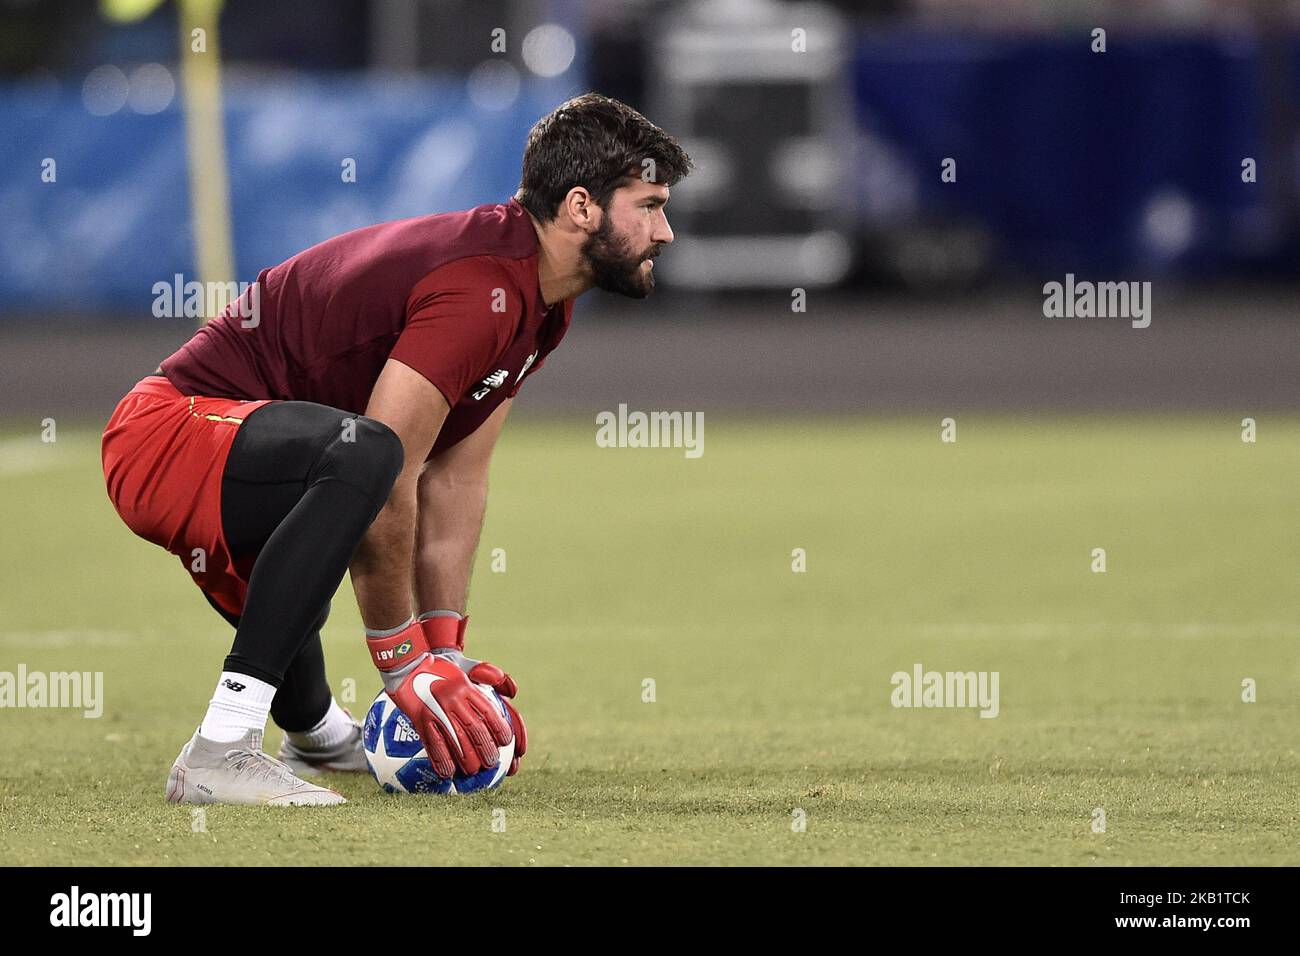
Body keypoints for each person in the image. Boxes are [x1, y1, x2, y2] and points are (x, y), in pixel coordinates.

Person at [100, 92, 692, 805]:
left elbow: (455, 479)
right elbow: (386, 472)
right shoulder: (482, 288)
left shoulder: (542, 300)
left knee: (345, 499)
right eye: (649, 204)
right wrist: (404, 665)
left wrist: (446, 650)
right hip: (167, 432)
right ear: (580, 207)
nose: (664, 230)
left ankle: (317, 735)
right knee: (368, 456)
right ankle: (218, 751)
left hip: (249, 451)